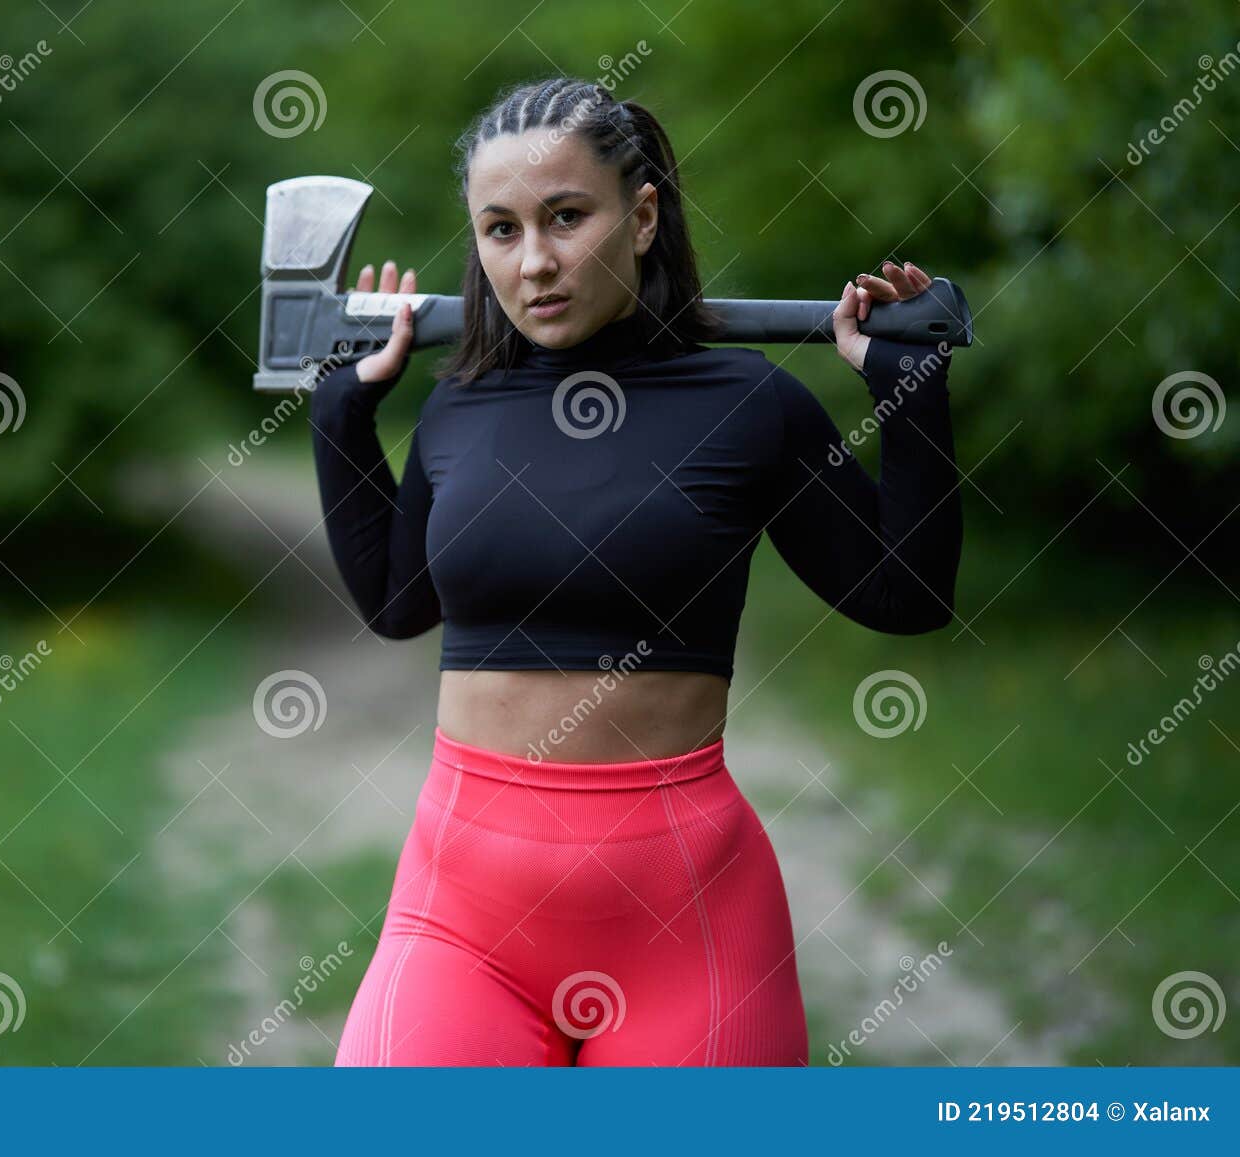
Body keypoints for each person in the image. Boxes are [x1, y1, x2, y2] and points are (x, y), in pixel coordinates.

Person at [308, 76, 962, 1066]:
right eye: (499, 229)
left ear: (642, 213)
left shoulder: (751, 405)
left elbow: (903, 595)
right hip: (459, 921)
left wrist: (909, 395)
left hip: (686, 924)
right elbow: (399, 606)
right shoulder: (456, 408)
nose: (533, 263)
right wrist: (339, 414)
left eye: (566, 217)